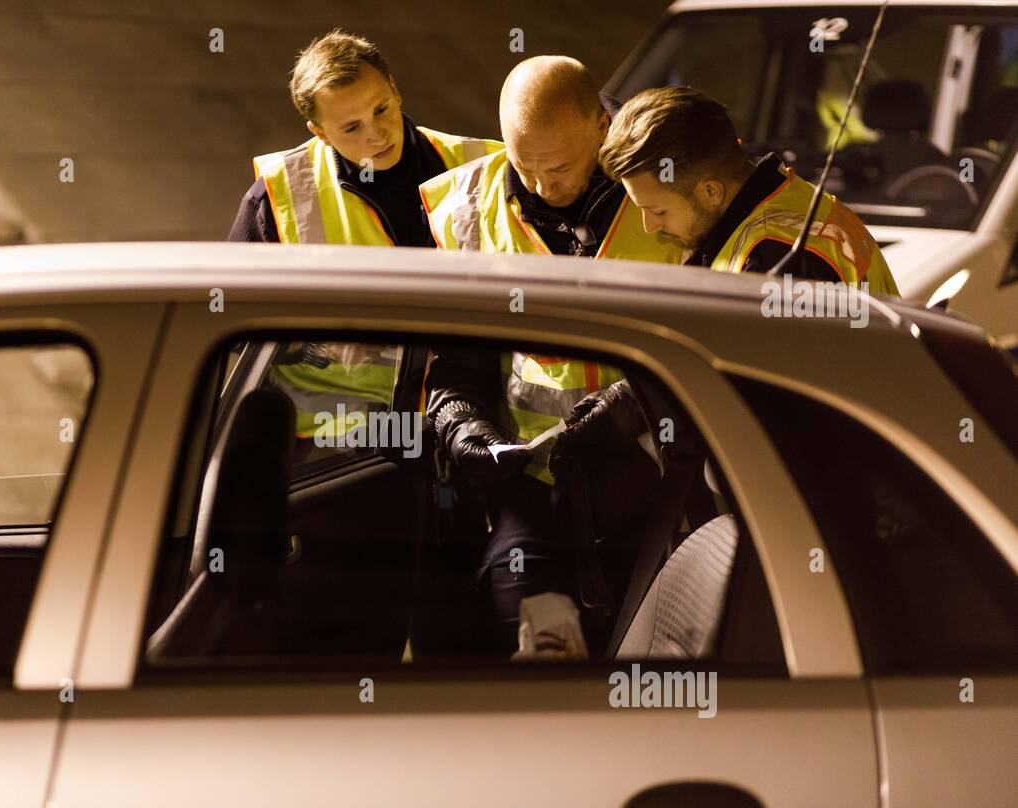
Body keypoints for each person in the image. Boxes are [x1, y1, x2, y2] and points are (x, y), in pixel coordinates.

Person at [422, 58, 678, 658]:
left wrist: (633, 404)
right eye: (524, 165)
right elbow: (454, 359)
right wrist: (462, 426)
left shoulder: (663, 191)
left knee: (651, 673)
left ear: (600, 126)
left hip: (652, 481)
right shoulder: (465, 207)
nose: (541, 186)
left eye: (559, 167)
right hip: (532, 488)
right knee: (538, 661)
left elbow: (713, 342)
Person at [229, 30, 501, 454]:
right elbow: (231, 319)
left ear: (395, 88)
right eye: (352, 127)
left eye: (381, 109)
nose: (376, 135)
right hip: (340, 449)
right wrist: (313, 346)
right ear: (318, 131)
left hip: (465, 424)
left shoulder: (480, 166)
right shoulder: (278, 198)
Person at [597, 85, 900, 292]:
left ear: (711, 192)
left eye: (657, 210)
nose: (650, 226)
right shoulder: (787, 201)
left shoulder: (776, 261)